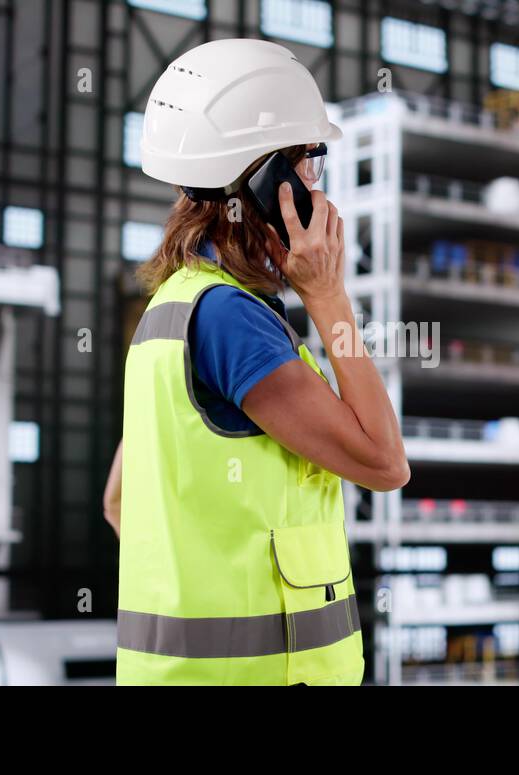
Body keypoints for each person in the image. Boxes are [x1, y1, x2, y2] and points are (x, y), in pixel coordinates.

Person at [107, 38, 408, 686]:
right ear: (270, 183)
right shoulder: (231, 320)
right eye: (310, 164)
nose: (316, 188)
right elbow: (385, 462)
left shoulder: (173, 307)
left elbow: (118, 501)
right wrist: (328, 295)